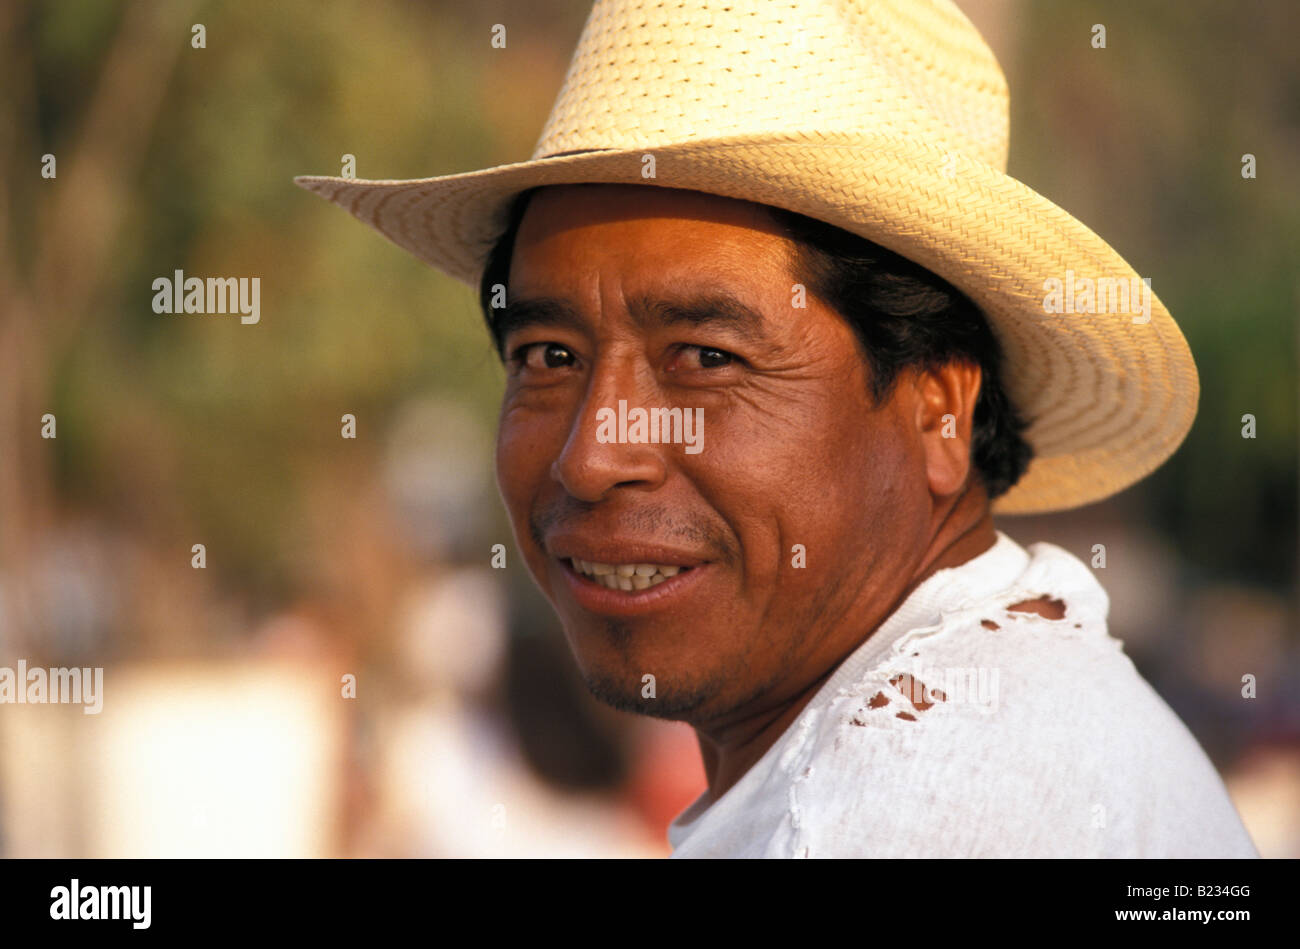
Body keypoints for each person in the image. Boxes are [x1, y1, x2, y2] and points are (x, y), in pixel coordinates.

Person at [296, 0, 1258, 857]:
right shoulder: (947, 736)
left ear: (940, 411)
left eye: (706, 358)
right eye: (549, 356)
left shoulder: (921, 798)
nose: (592, 455)